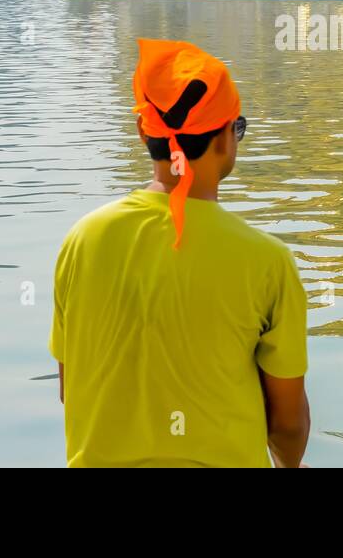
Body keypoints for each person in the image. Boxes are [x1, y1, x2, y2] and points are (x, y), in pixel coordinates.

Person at [49, 39, 309, 468]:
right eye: (237, 127)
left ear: (141, 131)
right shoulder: (268, 261)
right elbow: (287, 424)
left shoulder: (81, 240)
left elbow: (70, 388)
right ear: (227, 139)